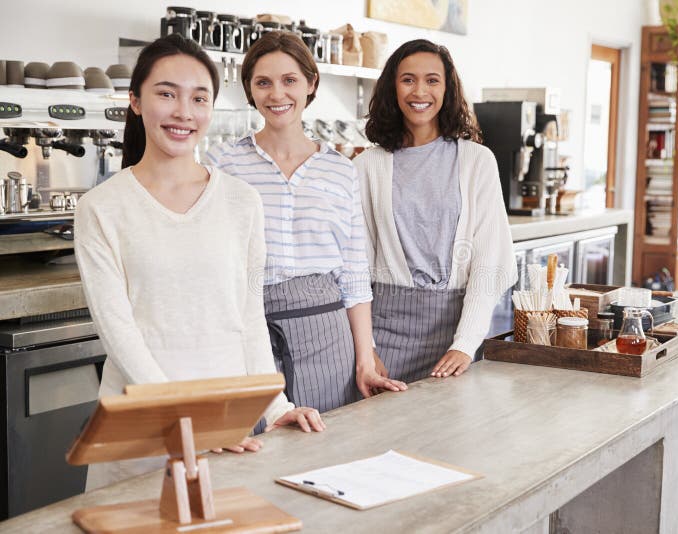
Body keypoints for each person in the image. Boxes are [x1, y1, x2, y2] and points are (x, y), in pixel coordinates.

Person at [74, 34, 322, 490]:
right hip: (145, 425)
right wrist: (186, 418)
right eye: (166, 94)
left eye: (199, 97)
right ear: (135, 101)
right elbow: (119, 331)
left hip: (226, 425)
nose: (183, 112)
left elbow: (247, 318)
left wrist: (276, 406)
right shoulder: (101, 208)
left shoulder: (241, 201)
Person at [205, 31, 406, 412]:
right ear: (249, 89)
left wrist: (365, 357)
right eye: (263, 83)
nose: (276, 94)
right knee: (253, 450)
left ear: (311, 83)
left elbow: (353, 272)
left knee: (326, 449)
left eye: (289, 80)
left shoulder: (340, 170)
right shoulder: (222, 164)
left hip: (327, 334)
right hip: (250, 331)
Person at [353, 39, 517, 384]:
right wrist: (366, 349)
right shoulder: (368, 166)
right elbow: (355, 266)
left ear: (447, 88)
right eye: (408, 79)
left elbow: (490, 260)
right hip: (384, 338)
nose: (420, 91)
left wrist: (466, 343)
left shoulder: (477, 161)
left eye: (432, 80)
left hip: (456, 336)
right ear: (392, 88)